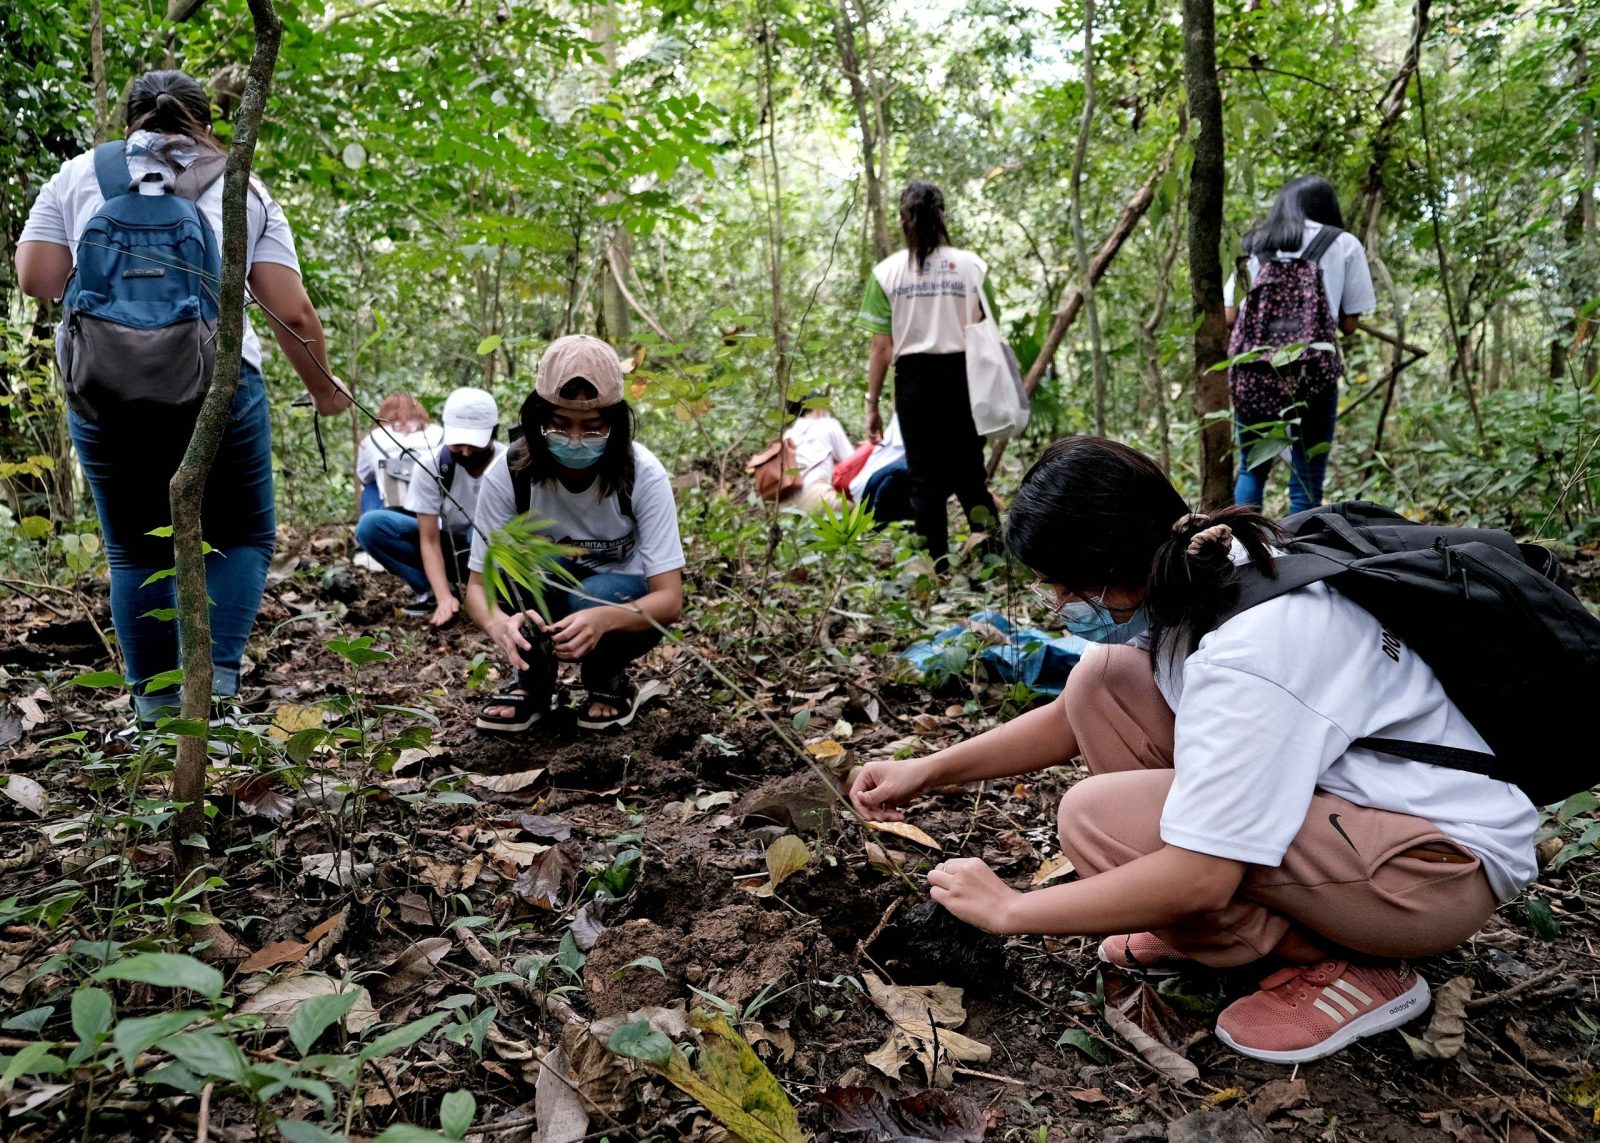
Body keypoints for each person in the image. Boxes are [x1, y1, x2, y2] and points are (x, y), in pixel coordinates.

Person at [850, 436, 1536, 1065]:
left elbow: (1201, 873)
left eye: (1066, 584)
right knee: (1102, 678)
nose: (1060, 602)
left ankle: (1343, 963)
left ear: (1112, 564)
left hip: (1432, 867)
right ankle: (1232, 932)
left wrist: (1009, 910)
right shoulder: (1198, 566)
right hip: (1361, 814)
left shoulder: (1254, 647)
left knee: (1095, 816)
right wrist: (928, 770)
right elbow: (1071, 717)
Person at [15, 70, 349, 725]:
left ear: (128, 122)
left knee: (135, 550)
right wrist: (326, 391)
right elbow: (294, 314)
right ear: (207, 123)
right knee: (244, 535)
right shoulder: (239, 181)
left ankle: (155, 708)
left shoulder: (80, 172)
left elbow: (37, 278)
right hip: (216, 390)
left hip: (104, 393)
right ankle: (214, 686)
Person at [465, 335, 684, 733]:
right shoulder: (510, 473)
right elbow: (478, 586)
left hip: (614, 594)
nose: (576, 439)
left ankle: (606, 678)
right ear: (538, 420)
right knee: (510, 573)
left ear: (615, 425)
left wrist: (604, 618)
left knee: (598, 594)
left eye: (593, 427)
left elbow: (670, 599)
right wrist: (499, 623)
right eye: (560, 425)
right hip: (540, 594)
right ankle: (532, 684)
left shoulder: (643, 474)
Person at [857, 181, 1000, 568]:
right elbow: (987, 331)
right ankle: (992, 561)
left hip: (915, 384)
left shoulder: (887, 273)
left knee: (924, 478)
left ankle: (937, 567)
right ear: (942, 217)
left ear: (903, 220)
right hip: (962, 379)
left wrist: (872, 404)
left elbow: (881, 347)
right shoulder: (971, 267)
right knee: (971, 473)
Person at [1224, 175, 1375, 513]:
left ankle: (1242, 553)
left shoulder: (1253, 244)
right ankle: (1303, 557)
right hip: (1314, 373)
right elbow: (1350, 324)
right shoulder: (1344, 242)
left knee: (1252, 467)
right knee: (1307, 475)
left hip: (1255, 372)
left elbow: (1230, 314)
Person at [355, 387, 502, 625]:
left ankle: (496, 594)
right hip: (451, 549)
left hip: (496, 554)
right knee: (371, 526)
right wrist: (444, 596)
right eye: (458, 444)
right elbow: (430, 539)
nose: (465, 452)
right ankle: (434, 591)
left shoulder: (508, 464)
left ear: (493, 433)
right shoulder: (432, 465)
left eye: (474, 444)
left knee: (480, 532)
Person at [355, 391, 438, 516]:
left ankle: (372, 522)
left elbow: (364, 477)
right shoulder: (438, 432)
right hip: (436, 508)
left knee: (371, 488)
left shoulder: (374, 436)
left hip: (398, 508)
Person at [781, 392, 853, 513]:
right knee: (869, 505)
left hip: (790, 504)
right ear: (819, 406)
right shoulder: (828, 424)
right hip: (818, 496)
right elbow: (851, 462)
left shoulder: (787, 436)